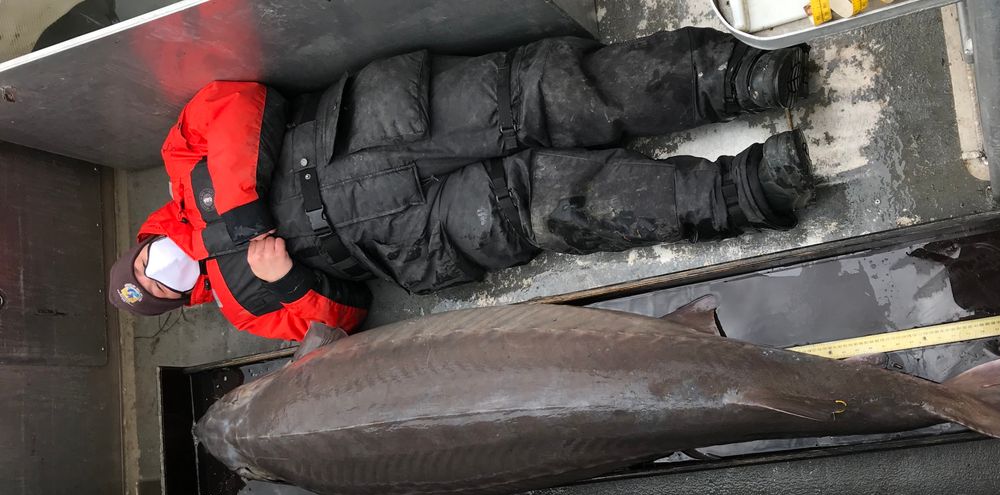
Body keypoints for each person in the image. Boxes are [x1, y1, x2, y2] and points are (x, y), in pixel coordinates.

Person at [109, 27, 817, 341]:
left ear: (141, 244)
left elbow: (236, 102)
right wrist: (287, 279)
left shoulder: (184, 162)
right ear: (175, 302)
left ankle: (729, 77)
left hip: (383, 122)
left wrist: (234, 209)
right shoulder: (243, 306)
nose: (160, 274)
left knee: (551, 89)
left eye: (145, 265)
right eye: (159, 291)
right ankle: (749, 191)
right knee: (562, 204)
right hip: (417, 229)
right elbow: (342, 318)